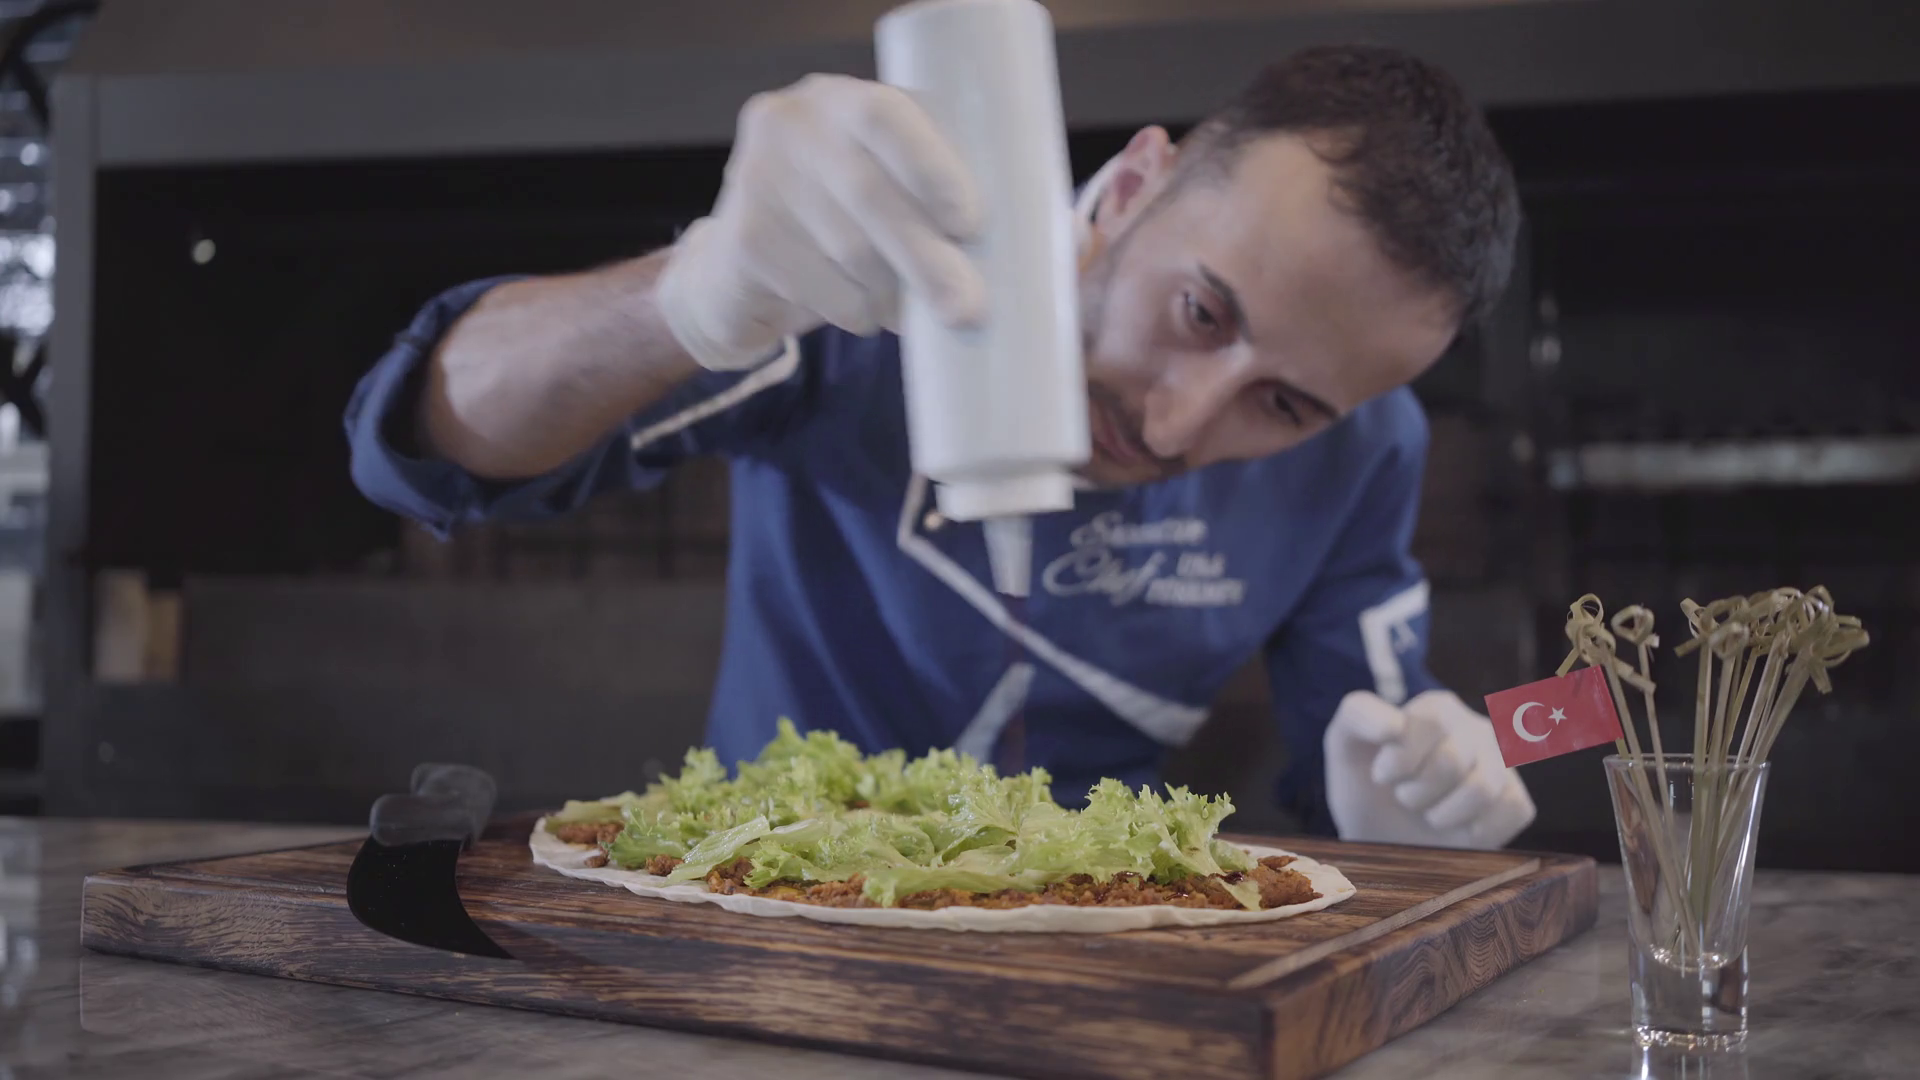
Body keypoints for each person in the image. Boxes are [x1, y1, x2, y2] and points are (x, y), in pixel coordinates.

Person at [345, 44, 1536, 849]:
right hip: (767, 899)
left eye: (1282, 405)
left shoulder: (1366, 450)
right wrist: (681, 298)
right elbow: (424, 449)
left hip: (1101, 932)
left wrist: (1411, 811)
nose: (1175, 426)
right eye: (1200, 314)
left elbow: (1361, 739)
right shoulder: (872, 277)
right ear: (1130, 188)